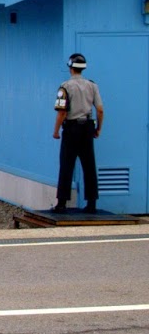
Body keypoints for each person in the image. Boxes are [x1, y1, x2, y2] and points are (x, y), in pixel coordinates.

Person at [53, 52, 105, 213]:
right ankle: (91, 203)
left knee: (66, 165)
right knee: (89, 165)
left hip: (71, 128)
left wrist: (56, 131)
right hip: (88, 127)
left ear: (70, 68)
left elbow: (62, 112)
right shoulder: (92, 85)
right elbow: (100, 110)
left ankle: (62, 203)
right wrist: (98, 129)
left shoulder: (65, 87)